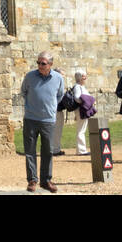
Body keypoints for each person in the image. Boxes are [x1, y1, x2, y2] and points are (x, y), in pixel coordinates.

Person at [20, 51, 65, 192]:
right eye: (38, 62)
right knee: (30, 151)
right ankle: (32, 180)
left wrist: (49, 109)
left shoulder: (58, 78)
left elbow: (59, 95)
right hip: (30, 119)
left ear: (50, 64)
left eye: (43, 63)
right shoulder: (30, 76)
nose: (40, 65)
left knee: (48, 151)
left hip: (48, 121)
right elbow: (23, 92)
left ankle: (46, 181)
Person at [71, 70, 91, 155]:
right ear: (79, 77)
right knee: (81, 130)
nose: (85, 78)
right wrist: (85, 102)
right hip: (81, 110)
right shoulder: (77, 87)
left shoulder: (81, 87)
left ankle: (81, 149)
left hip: (82, 110)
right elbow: (77, 98)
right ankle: (81, 150)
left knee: (82, 129)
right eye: (83, 76)